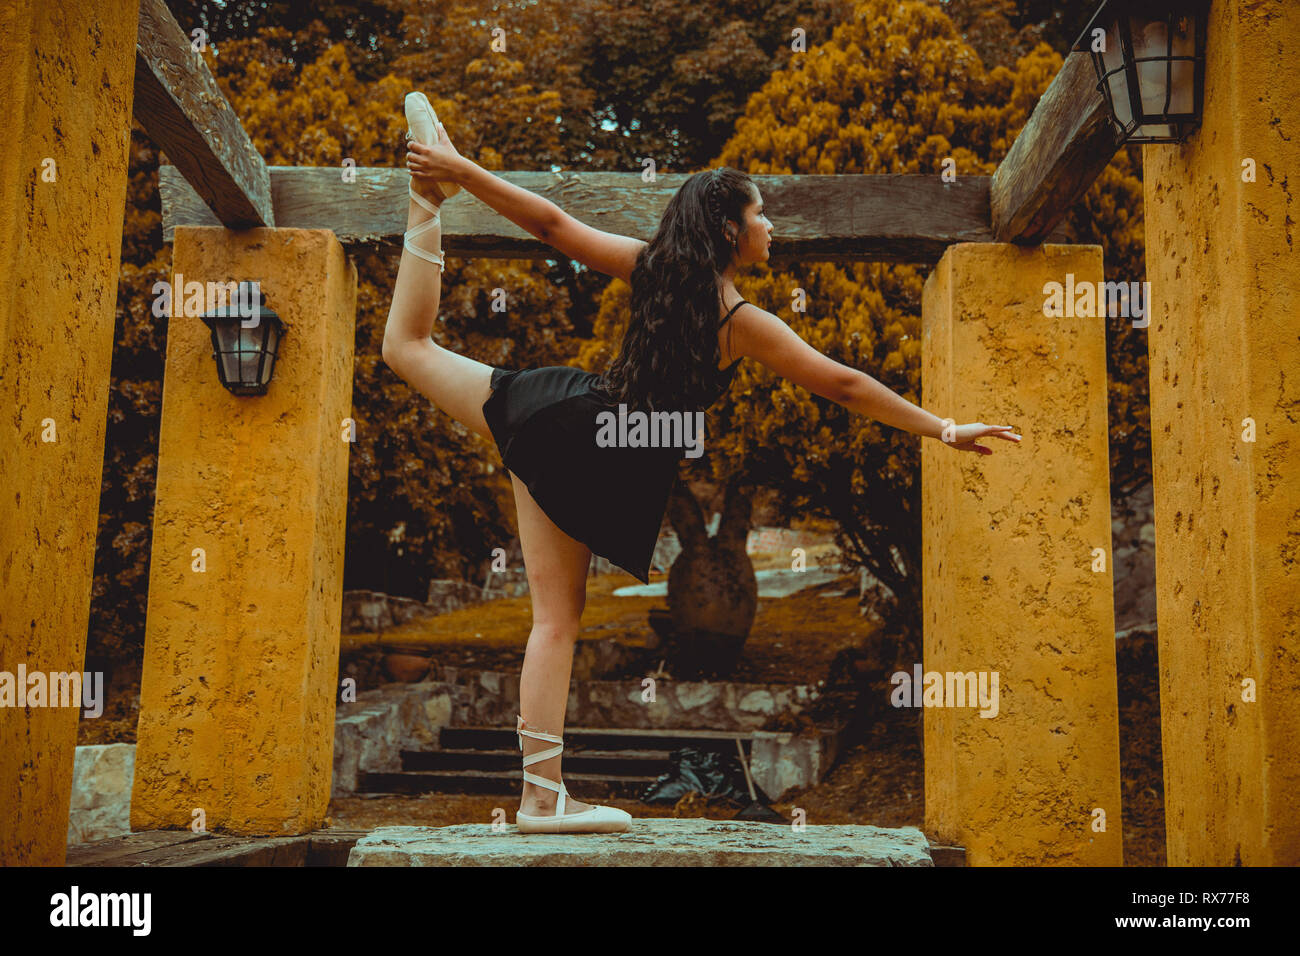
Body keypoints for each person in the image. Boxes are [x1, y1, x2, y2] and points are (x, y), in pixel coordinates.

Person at [383, 92, 1022, 834]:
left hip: (561, 414)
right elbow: (844, 384)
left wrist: (460, 174)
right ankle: (539, 797)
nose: (771, 225)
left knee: (407, 350)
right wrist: (943, 429)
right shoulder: (741, 323)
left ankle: (424, 201)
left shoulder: (652, 269)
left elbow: (552, 224)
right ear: (729, 228)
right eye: (761, 213)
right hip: (597, 441)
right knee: (556, 621)